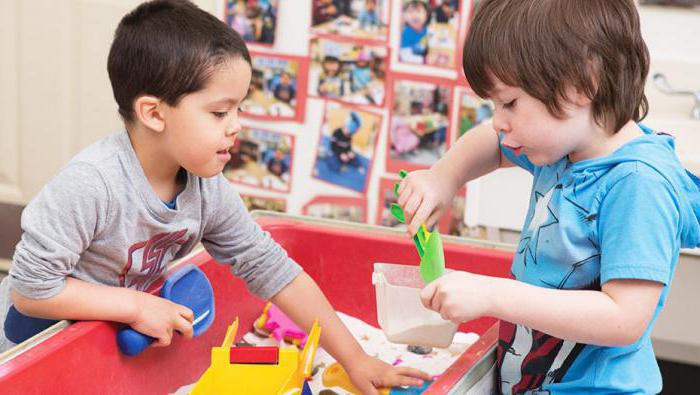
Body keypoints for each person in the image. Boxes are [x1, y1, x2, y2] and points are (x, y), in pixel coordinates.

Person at [0, 1, 430, 393]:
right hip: (27, 350)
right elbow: (31, 289)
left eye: (240, 108)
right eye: (220, 112)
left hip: (101, 350)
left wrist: (355, 358)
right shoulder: (91, 185)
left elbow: (271, 267)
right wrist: (134, 305)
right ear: (154, 113)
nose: (237, 125)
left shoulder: (206, 188)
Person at [397, 0, 700, 393]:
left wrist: (491, 294)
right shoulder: (566, 149)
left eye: (509, 102)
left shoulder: (638, 184)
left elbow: (624, 318)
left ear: (582, 85)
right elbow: (490, 141)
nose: (498, 120)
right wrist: (443, 177)